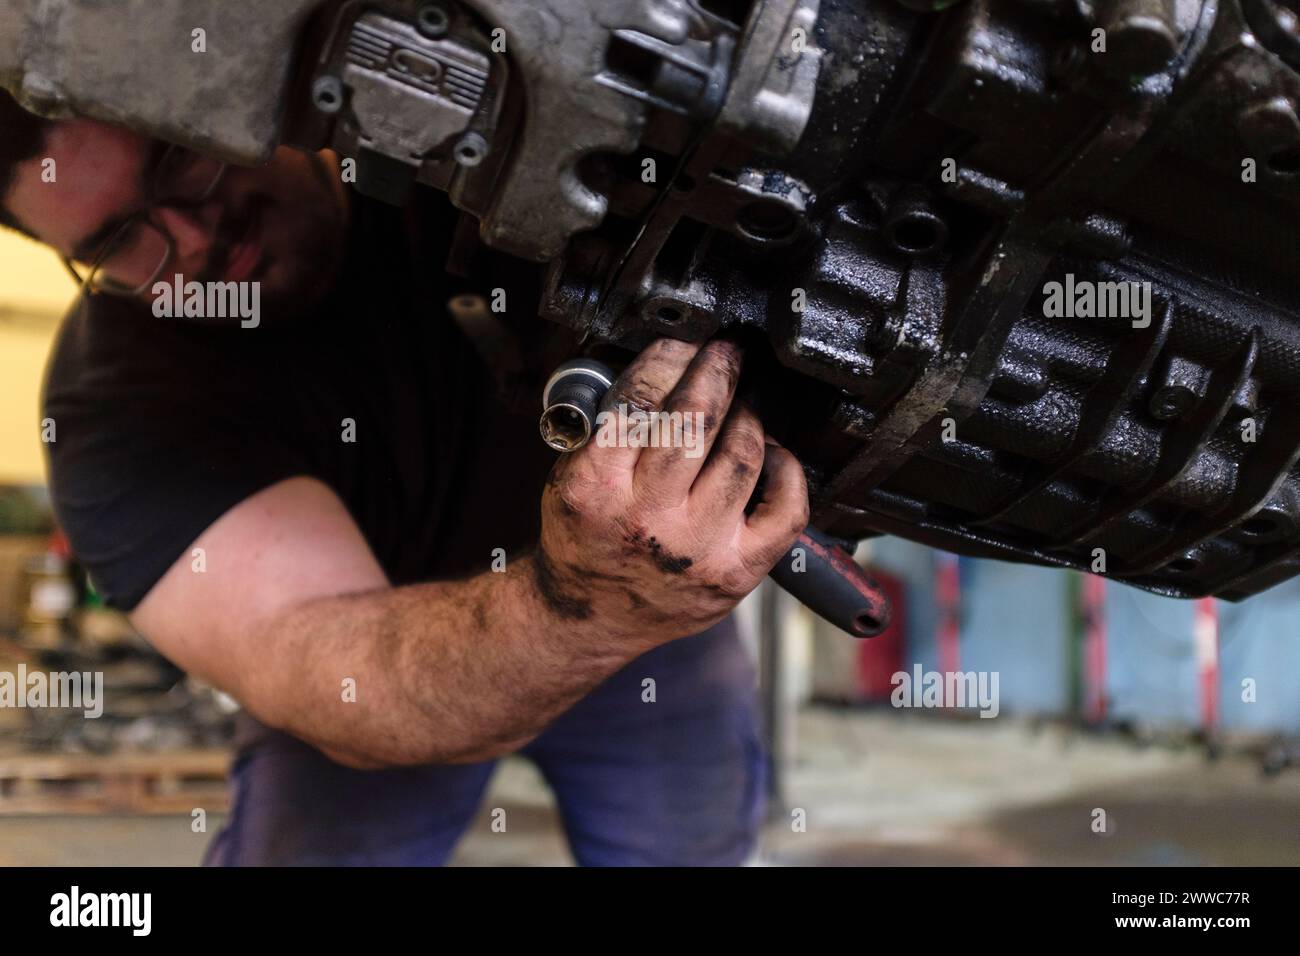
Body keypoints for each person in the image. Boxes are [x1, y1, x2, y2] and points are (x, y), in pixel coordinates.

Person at [0, 92, 810, 865]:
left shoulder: (473, 149)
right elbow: (323, 659)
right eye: (117, 243)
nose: (194, 236)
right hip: (407, 668)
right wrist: (591, 599)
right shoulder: (114, 408)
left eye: (178, 160)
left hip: (647, 634)